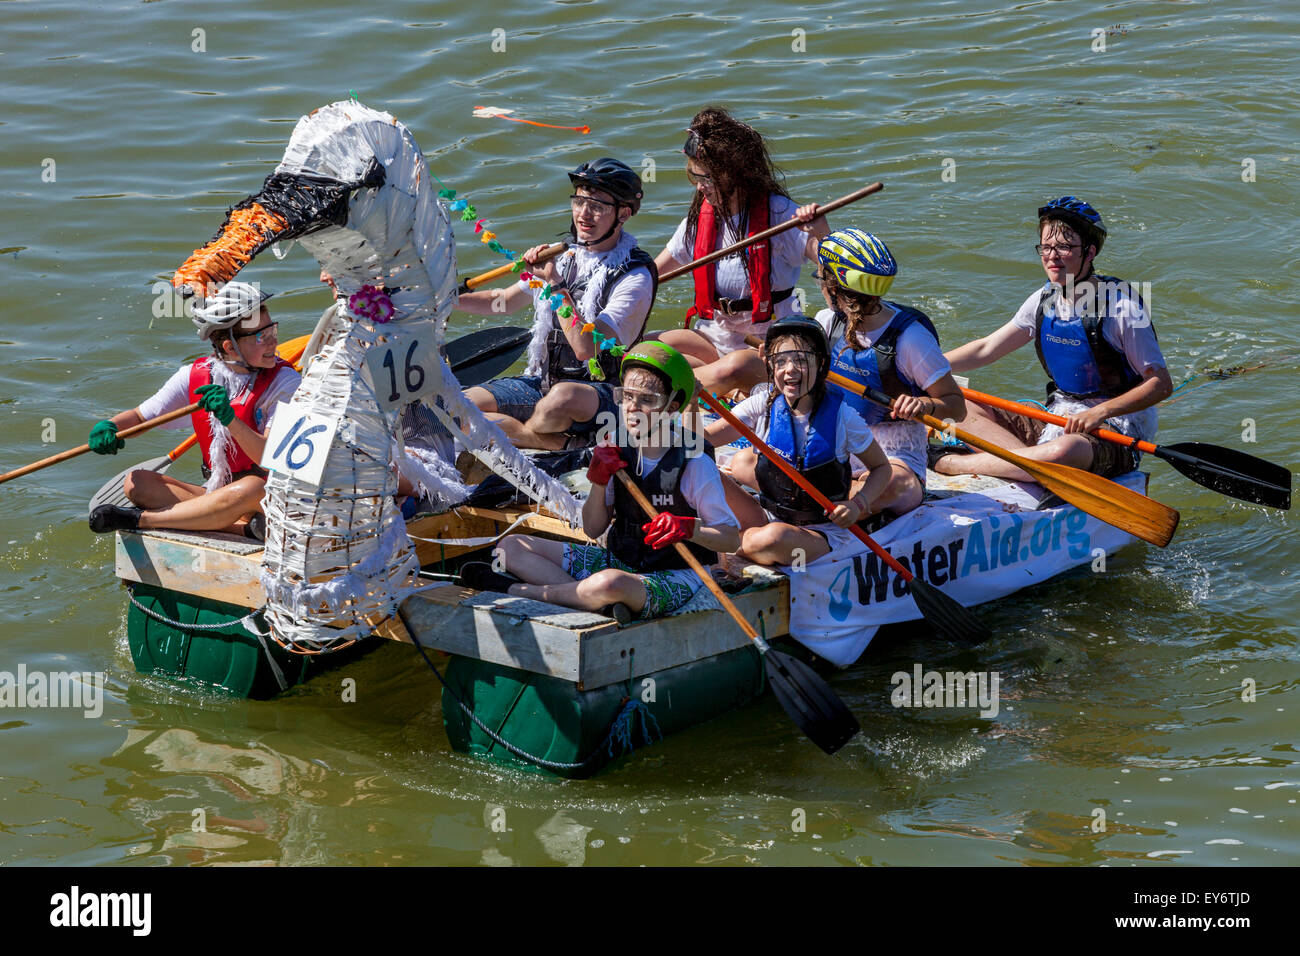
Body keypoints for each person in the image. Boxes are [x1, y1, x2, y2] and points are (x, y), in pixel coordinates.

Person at [465, 343, 741, 621]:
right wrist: (598, 482)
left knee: (610, 583)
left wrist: (688, 528)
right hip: (622, 561)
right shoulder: (615, 449)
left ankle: (520, 590)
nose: (632, 408)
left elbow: (730, 539)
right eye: (627, 396)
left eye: (646, 400)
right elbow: (593, 527)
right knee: (510, 547)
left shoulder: (694, 463)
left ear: (671, 406)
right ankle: (592, 601)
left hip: (679, 575)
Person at [932, 196, 1172, 481]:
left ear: (1090, 252)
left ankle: (955, 464)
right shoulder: (1044, 300)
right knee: (958, 405)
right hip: (1059, 417)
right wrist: (926, 367)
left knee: (1063, 451)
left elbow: (1160, 385)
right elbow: (986, 348)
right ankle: (1032, 468)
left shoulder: (1123, 309)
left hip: (1116, 430)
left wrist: (1101, 412)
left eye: (1065, 247)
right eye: (1046, 247)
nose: (1052, 256)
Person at [457, 158, 656, 450]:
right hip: (543, 383)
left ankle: (532, 439)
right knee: (461, 405)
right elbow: (503, 303)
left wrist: (555, 284)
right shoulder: (563, 257)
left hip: (609, 394)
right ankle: (548, 441)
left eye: (598, 206)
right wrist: (447, 300)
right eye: (579, 202)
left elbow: (585, 348)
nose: (584, 214)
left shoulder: (635, 276)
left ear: (623, 214)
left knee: (564, 398)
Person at [87, 281, 301, 537]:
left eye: (272, 331)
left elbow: (272, 459)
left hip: (271, 498)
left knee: (252, 487)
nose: (273, 342)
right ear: (230, 347)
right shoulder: (195, 376)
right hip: (222, 495)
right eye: (261, 336)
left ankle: (140, 520)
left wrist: (230, 419)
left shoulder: (287, 383)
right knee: (137, 483)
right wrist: (111, 427)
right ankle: (243, 530)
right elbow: (140, 417)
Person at [652, 107, 830, 397]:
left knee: (732, 369)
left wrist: (822, 232)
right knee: (647, 349)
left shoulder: (781, 215)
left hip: (768, 348)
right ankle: (711, 388)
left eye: (707, 178)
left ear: (734, 174)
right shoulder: (699, 219)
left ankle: (673, 387)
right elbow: (652, 274)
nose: (699, 187)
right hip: (714, 337)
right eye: (694, 177)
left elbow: (835, 270)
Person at [703, 315, 892, 567]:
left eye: (801, 360)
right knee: (699, 461)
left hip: (819, 532)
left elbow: (882, 468)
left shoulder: (844, 418)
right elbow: (701, 441)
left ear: (821, 365)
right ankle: (731, 537)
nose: (789, 369)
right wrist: (692, 402)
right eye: (780, 361)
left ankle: (717, 541)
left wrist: (858, 505)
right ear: (771, 367)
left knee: (772, 538)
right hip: (765, 513)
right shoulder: (763, 404)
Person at [813, 230, 965, 516]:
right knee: (747, 463)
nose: (819, 286)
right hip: (838, 443)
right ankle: (840, 499)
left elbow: (956, 408)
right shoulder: (825, 323)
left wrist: (924, 405)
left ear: (833, 287)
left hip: (895, 456)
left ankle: (833, 503)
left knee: (893, 484)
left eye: (820, 278)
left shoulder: (911, 339)